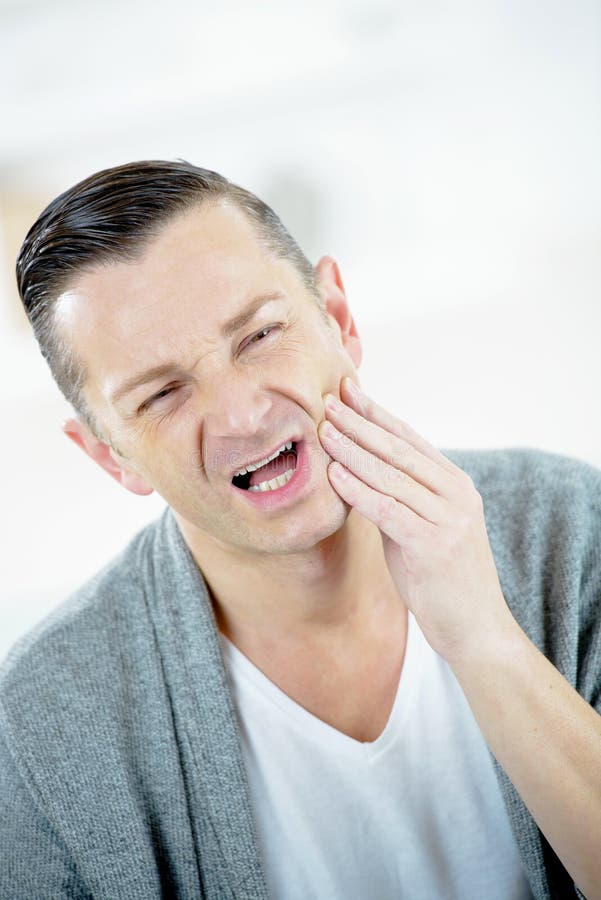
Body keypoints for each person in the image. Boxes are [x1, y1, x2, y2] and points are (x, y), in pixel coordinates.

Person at [0, 160, 599, 900]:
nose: (244, 414)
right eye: (161, 394)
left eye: (258, 336)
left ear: (339, 321)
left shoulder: (574, 530)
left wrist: (483, 640)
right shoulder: (37, 728)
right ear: (109, 455)